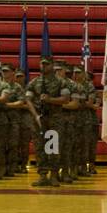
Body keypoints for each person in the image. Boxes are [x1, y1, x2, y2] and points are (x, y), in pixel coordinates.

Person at [26, 57, 60, 187]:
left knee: (52, 147)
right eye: (42, 64)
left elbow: (65, 99)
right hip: (39, 120)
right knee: (40, 148)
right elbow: (28, 99)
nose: (43, 66)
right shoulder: (34, 83)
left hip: (54, 119)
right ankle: (42, 175)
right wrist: (36, 116)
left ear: (52, 65)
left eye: (46, 64)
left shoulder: (60, 82)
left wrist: (50, 100)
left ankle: (54, 175)